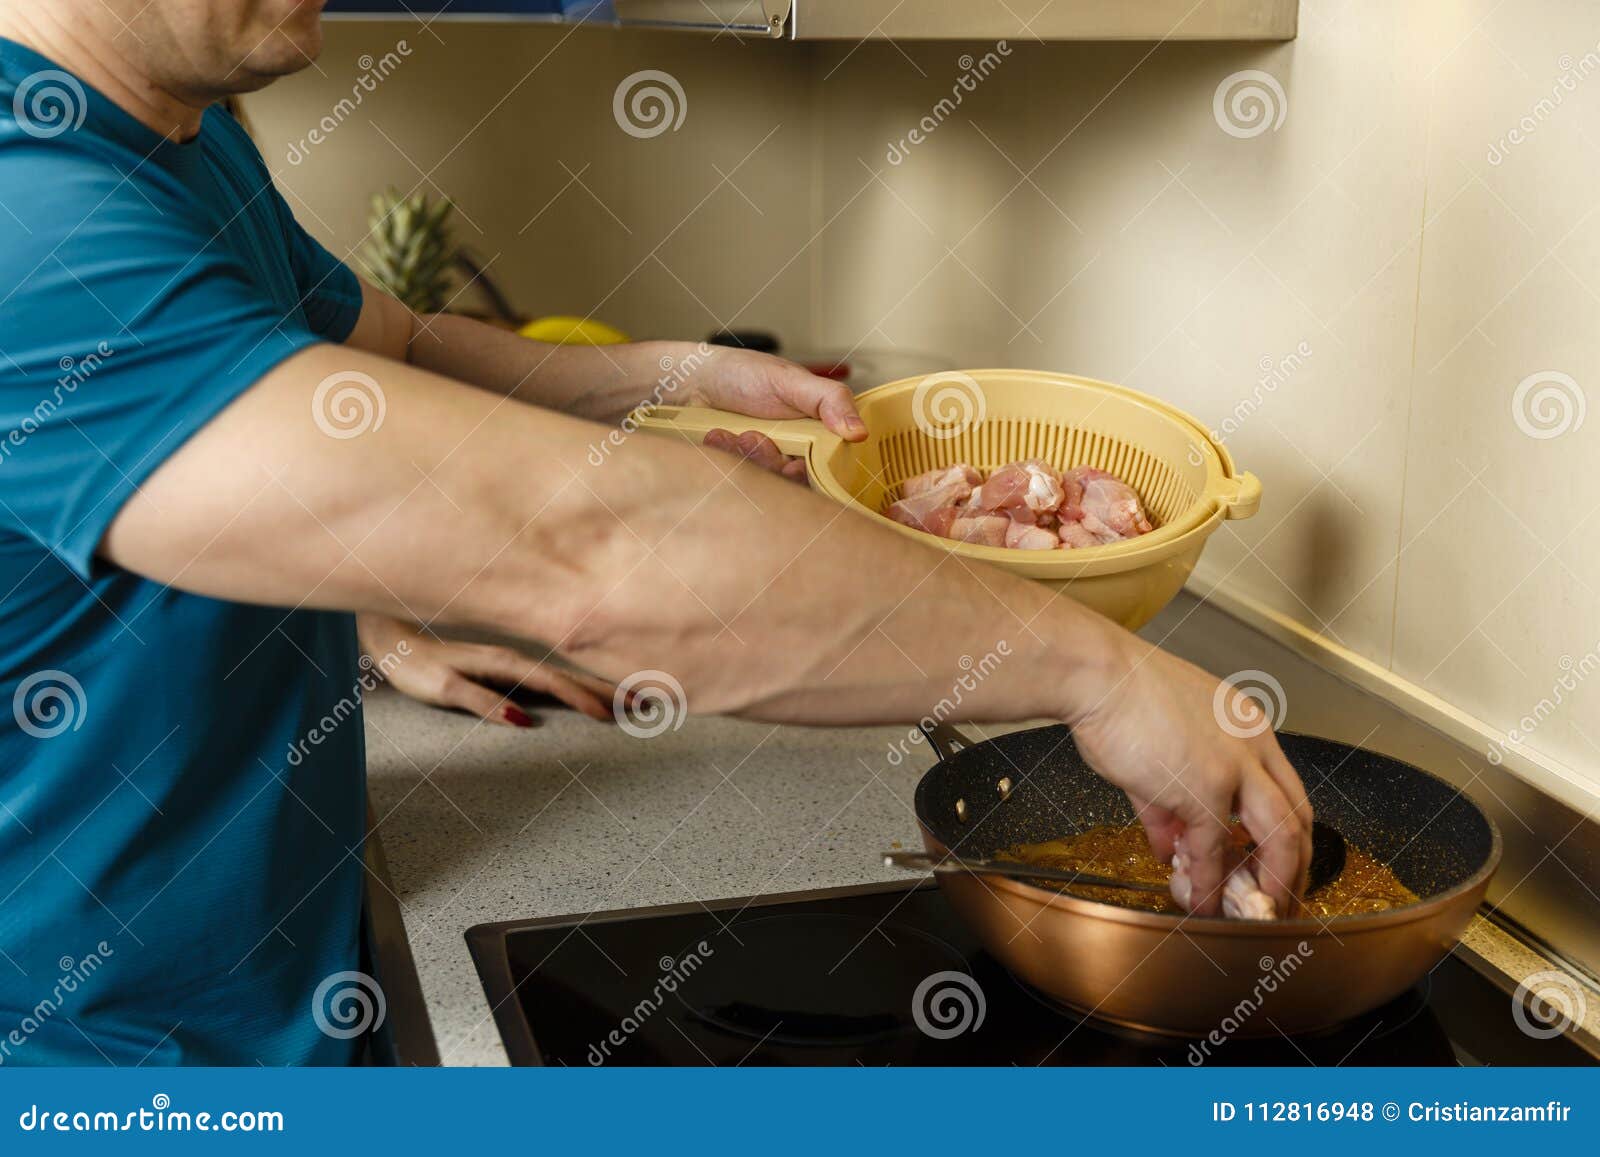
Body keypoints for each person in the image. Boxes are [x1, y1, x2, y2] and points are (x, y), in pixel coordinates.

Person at [0, 0, 1311, 1065]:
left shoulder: (178, 129)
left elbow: (393, 348)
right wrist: (1098, 665)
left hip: (260, 989)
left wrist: (677, 372)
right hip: (99, 1063)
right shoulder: (35, 217)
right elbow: (591, 549)